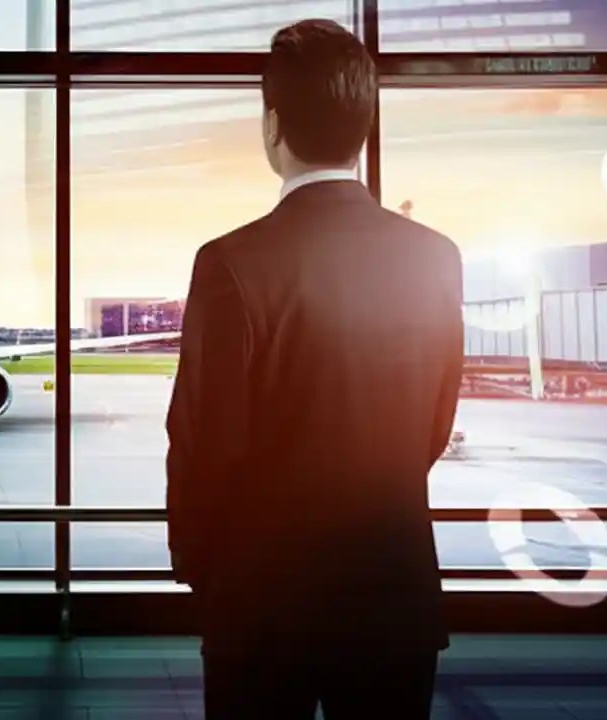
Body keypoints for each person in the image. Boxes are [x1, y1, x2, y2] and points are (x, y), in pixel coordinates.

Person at [164, 19, 464, 720]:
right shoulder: (435, 256)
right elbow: (435, 424)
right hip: (394, 593)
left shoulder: (232, 263)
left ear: (272, 127)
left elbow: (202, 438)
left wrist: (203, 571)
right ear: (363, 123)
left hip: (263, 604)